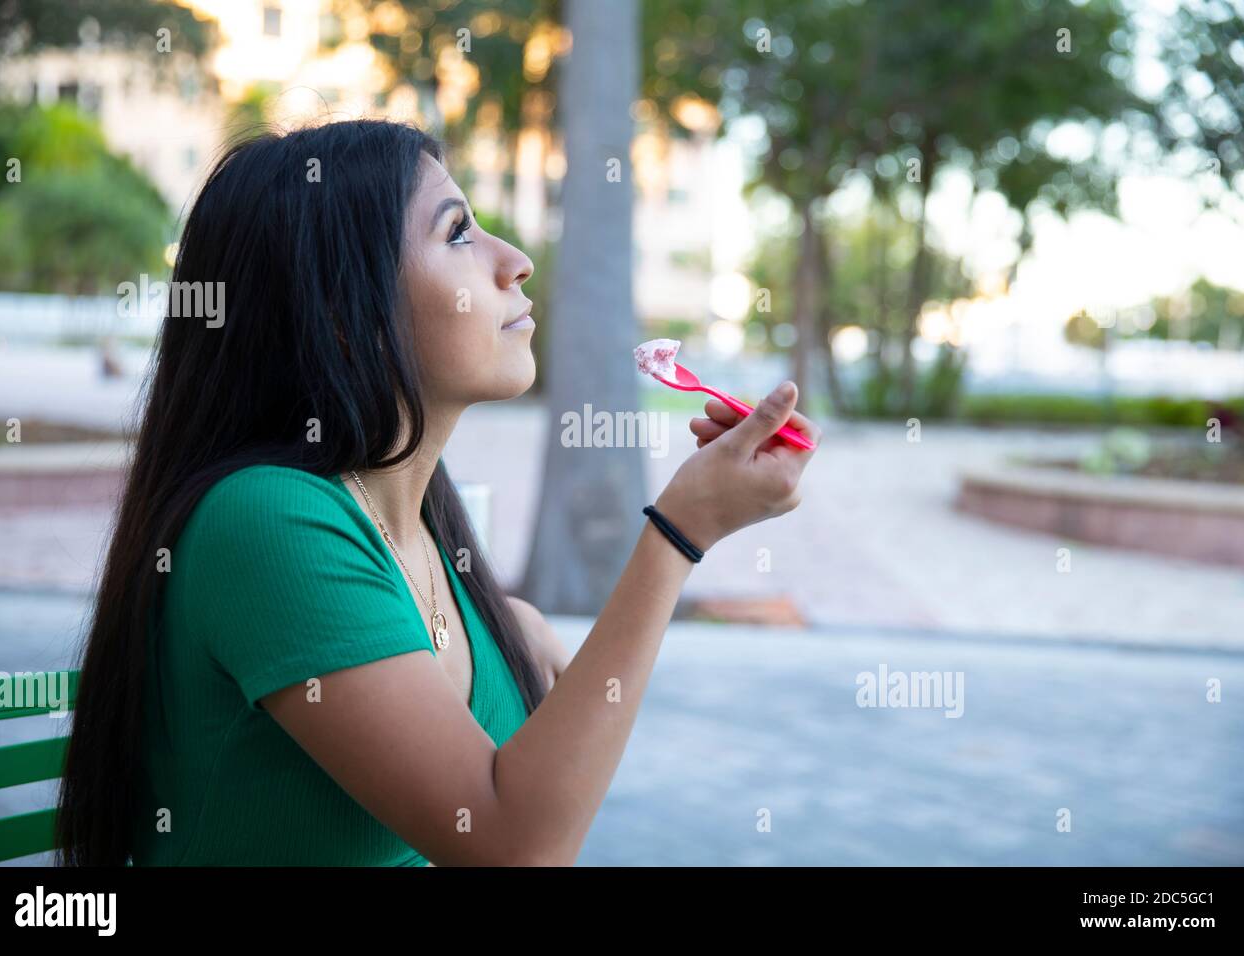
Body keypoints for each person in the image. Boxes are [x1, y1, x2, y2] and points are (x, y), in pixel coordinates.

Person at [56, 119, 819, 867]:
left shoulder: (421, 529)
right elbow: (514, 844)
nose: (515, 261)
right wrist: (681, 533)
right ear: (341, 315)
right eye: (458, 233)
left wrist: (512, 627)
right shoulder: (265, 524)